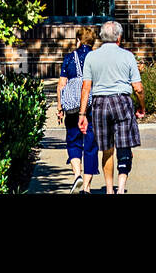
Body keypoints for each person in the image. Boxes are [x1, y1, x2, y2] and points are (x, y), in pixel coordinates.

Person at [78, 20, 145, 194]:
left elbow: (86, 87)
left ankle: (109, 189)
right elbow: (138, 87)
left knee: (107, 150)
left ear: (101, 37)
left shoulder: (91, 57)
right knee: (124, 146)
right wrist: (141, 106)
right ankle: (121, 188)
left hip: (100, 104)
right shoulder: (128, 56)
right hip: (121, 102)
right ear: (119, 38)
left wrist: (82, 113)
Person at [57, 27, 100, 194]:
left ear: (78, 41)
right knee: (91, 144)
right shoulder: (97, 59)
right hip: (93, 104)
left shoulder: (69, 58)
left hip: (74, 106)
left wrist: (60, 107)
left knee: (73, 140)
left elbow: (61, 85)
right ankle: (87, 188)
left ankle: (77, 176)